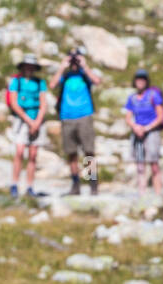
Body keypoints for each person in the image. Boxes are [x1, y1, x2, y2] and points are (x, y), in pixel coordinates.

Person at [51, 47, 102, 195]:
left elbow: (97, 81)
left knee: (88, 151)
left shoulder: (84, 75)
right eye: (72, 57)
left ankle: (92, 183)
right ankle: (75, 184)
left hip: (84, 115)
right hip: (67, 116)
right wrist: (62, 67)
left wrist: (85, 66)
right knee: (71, 152)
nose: (74, 60)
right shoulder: (65, 75)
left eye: (76, 57)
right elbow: (53, 84)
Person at [6, 53, 48, 198]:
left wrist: (37, 121)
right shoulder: (16, 82)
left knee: (89, 152)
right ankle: (14, 184)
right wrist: (30, 121)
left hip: (84, 118)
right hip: (23, 120)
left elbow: (44, 103)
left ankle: (91, 182)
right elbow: (13, 102)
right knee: (19, 151)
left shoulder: (40, 82)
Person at [123, 68, 163, 196]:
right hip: (138, 134)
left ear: (146, 81)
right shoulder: (132, 98)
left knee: (154, 164)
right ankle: (142, 195)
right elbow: (128, 117)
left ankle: (158, 195)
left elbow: (160, 115)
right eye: (138, 79)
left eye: (142, 79)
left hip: (151, 133)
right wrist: (135, 127)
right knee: (140, 165)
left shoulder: (153, 95)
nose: (140, 82)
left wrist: (147, 128)